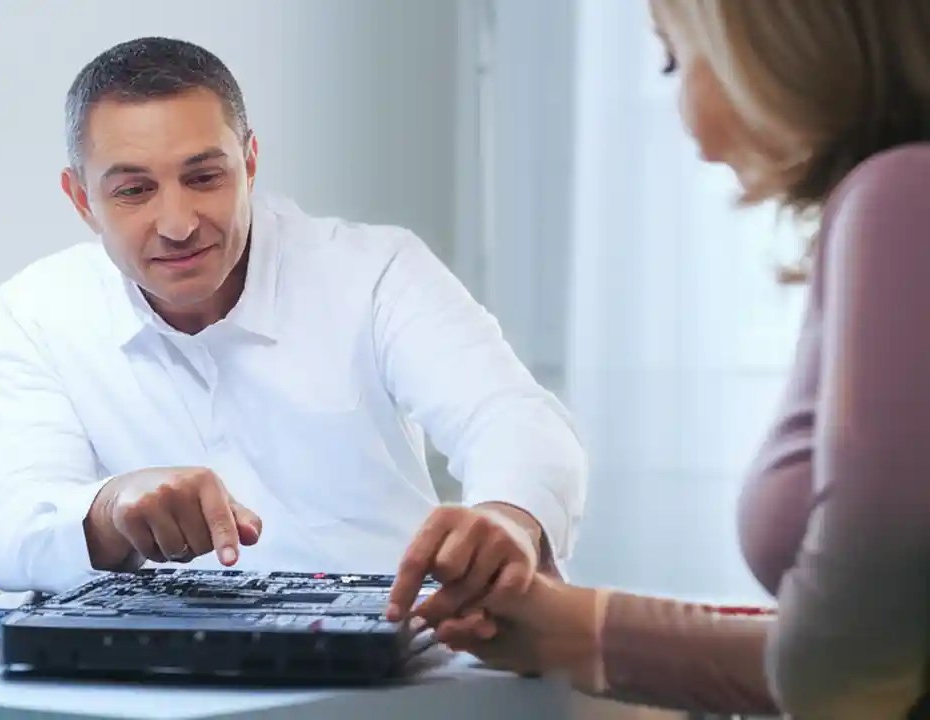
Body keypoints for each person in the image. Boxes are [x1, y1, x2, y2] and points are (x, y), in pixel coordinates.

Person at [392, 1, 930, 718]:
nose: (693, 130)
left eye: (676, 58)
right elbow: (886, 652)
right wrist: (576, 630)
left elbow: (846, 664)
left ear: (777, 40)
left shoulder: (901, 198)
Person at [0, 37, 588, 604]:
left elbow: (513, 418)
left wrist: (507, 519)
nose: (178, 223)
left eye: (204, 177)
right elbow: (7, 524)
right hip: (166, 675)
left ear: (251, 162)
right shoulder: (41, 307)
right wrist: (110, 509)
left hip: (391, 656)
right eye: (134, 191)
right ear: (82, 200)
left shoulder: (375, 271)